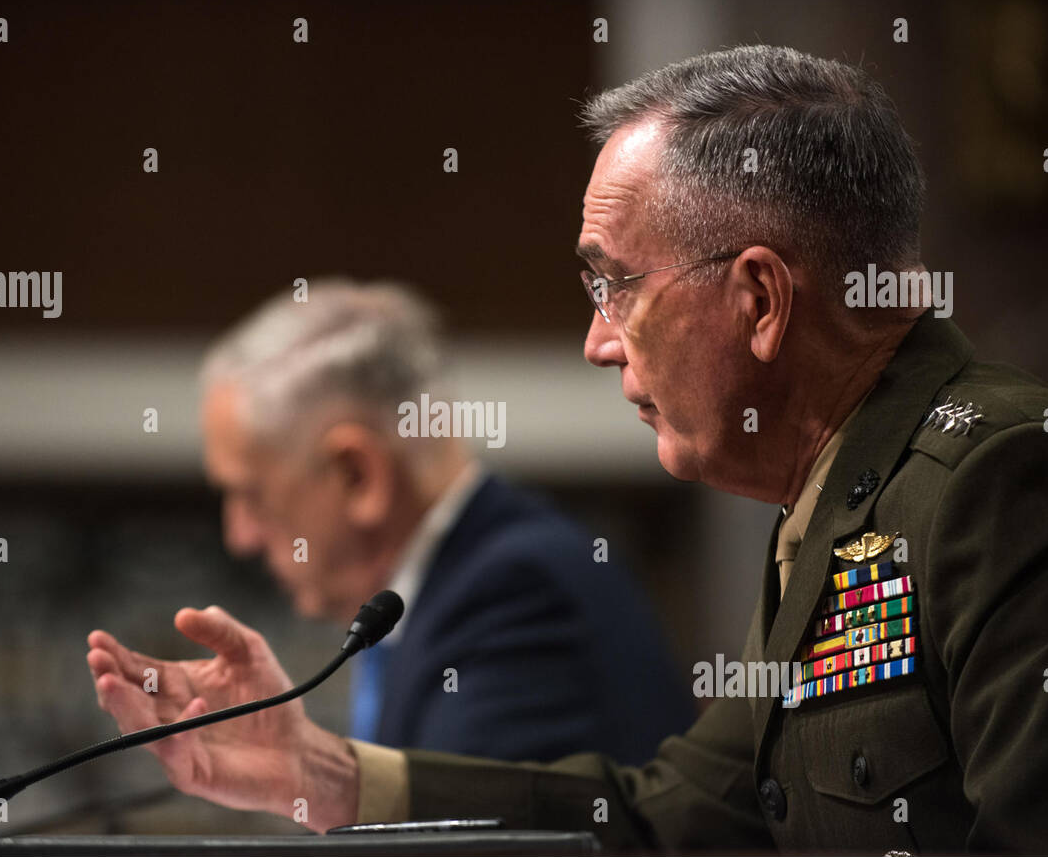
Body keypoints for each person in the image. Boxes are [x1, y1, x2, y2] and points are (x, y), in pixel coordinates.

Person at [87, 46, 1048, 853]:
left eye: (615, 284)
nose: (596, 340)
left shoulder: (1009, 479)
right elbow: (667, 816)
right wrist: (328, 776)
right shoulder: (830, 505)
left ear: (758, 300)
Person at [90, 279, 693, 767]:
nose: (239, 536)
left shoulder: (517, 600)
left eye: (252, 496)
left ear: (359, 476)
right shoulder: (461, 589)